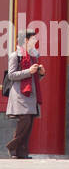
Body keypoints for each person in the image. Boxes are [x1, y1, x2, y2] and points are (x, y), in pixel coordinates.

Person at [4, 28, 43, 158]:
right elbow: (11, 75)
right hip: (20, 95)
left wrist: (40, 73)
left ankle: (22, 153)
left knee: (29, 124)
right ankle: (12, 147)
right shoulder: (15, 56)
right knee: (24, 122)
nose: (35, 41)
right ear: (25, 40)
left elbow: (33, 77)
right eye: (33, 39)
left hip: (31, 94)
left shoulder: (33, 56)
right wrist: (29, 71)